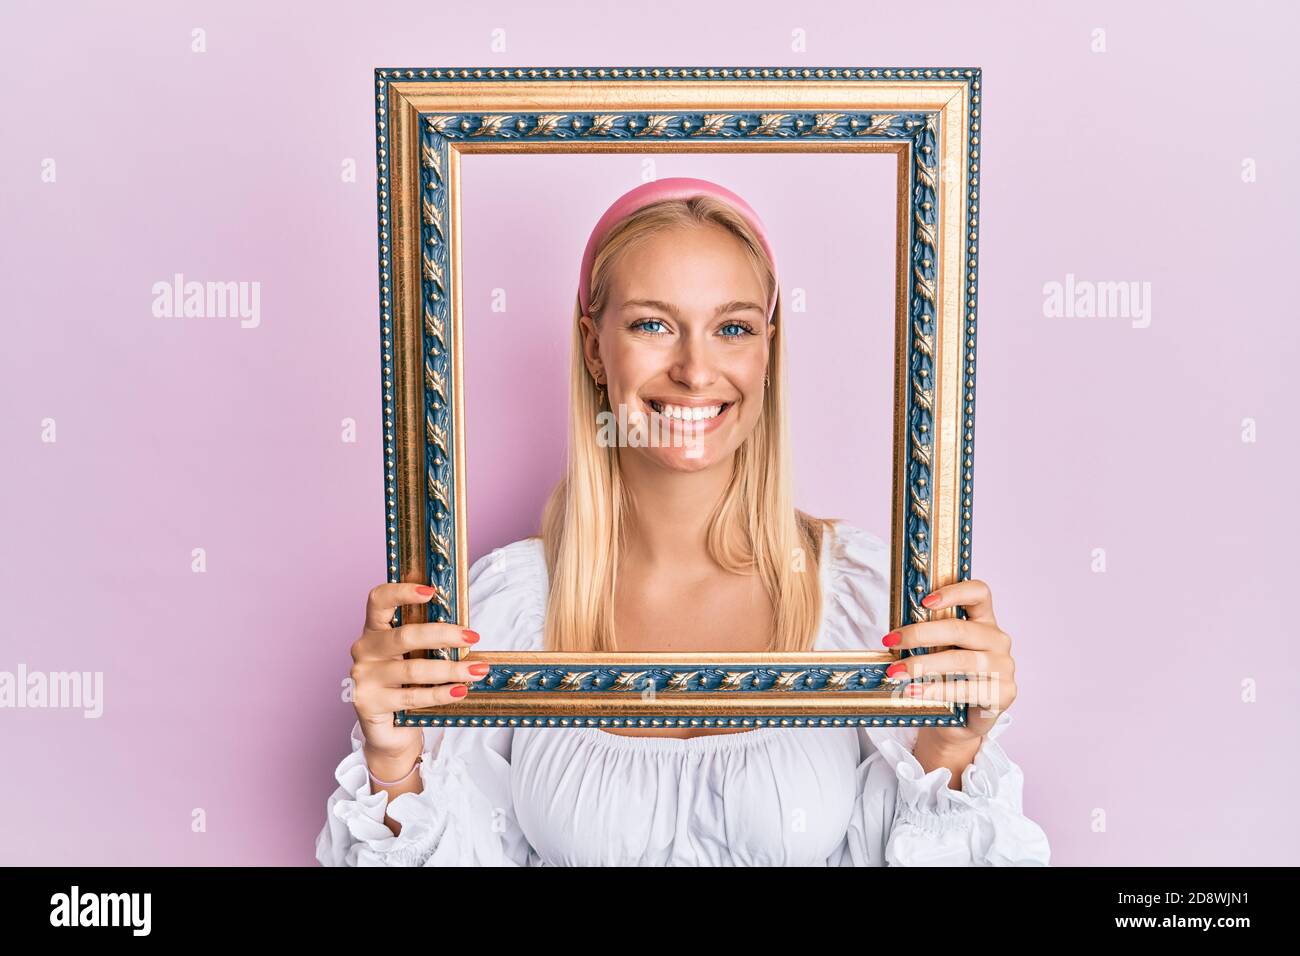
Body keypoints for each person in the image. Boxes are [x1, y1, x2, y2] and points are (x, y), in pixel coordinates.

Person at [316, 177, 1052, 866]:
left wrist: (951, 753)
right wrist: (393, 763)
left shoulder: (868, 597)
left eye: (732, 328)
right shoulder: (501, 608)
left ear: (768, 351)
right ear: (593, 350)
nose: (696, 371)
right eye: (653, 325)